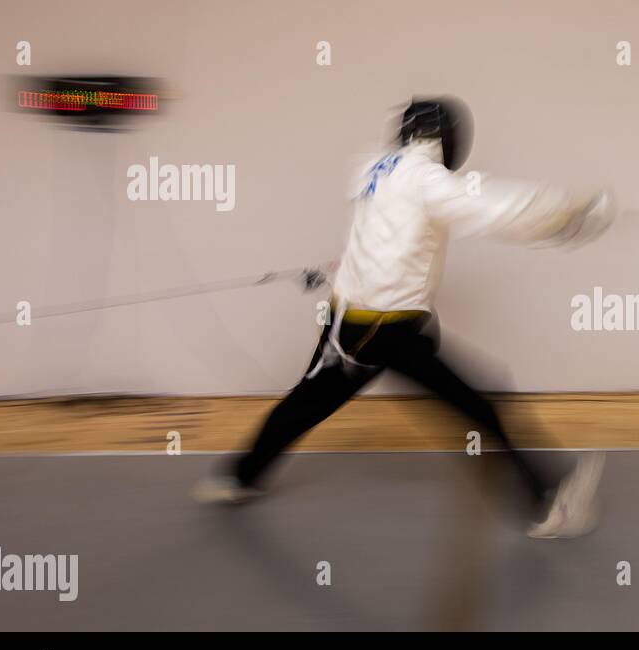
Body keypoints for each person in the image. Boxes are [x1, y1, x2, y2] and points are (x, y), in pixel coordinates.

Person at [193, 96, 614, 539]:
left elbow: (380, 229)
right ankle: (549, 504)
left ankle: (238, 478)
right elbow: (491, 206)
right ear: (447, 138)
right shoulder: (424, 179)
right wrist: (569, 213)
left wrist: (350, 265)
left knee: (306, 403)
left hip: (350, 322)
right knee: (480, 405)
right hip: (381, 331)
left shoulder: (374, 167)